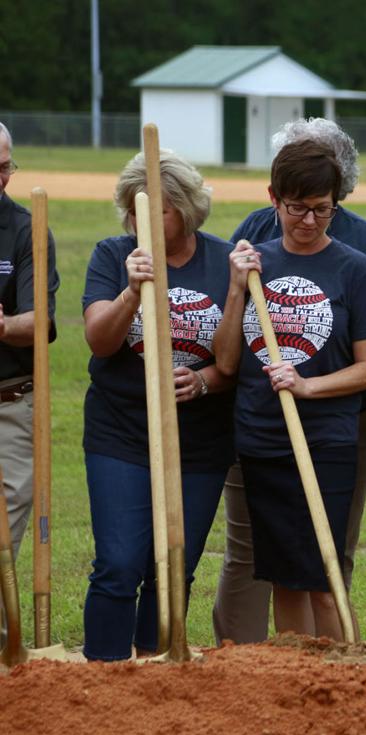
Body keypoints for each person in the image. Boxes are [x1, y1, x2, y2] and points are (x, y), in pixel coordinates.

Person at [213, 117, 366, 645]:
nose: (309, 220)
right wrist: (234, 288)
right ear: (274, 198)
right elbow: (226, 362)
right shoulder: (251, 263)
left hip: (327, 442)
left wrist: (308, 386)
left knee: (323, 578)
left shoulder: (354, 267)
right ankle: (297, 683)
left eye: (321, 208)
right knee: (284, 577)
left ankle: (346, 680)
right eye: (297, 208)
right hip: (262, 440)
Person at [80, 150, 235, 660]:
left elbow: (234, 360)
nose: (138, 220)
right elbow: (100, 342)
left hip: (199, 439)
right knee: (120, 562)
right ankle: (102, 674)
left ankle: (154, 667)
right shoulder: (113, 254)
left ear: (187, 210)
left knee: (172, 564)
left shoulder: (221, 260)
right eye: (132, 209)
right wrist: (131, 292)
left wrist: (205, 380)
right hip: (121, 430)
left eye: (155, 210)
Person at [0, 121, 60, 647]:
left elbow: (38, 321)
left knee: (5, 534)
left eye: (4, 167)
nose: (0, 178)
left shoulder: (25, 230)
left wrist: (0, 325)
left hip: (11, 402)